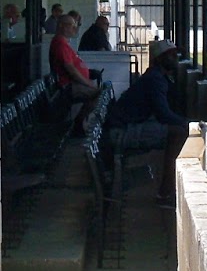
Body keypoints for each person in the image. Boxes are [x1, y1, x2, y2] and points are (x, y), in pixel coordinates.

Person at [105, 39, 186, 201]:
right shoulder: (155, 79)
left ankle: (166, 188)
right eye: (170, 55)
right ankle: (166, 192)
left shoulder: (155, 76)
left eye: (175, 54)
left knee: (175, 130)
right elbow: (164, 114)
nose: (175, 58)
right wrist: (189, 123)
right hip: (120, 132)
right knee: (179, 133)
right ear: (160, 59)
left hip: (122, 127)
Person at [49, 14, 100, 103]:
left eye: (75, 25)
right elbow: (71, 70)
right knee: (98, 94)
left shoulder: (64, 43)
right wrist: (88, 83)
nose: (75, 28)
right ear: (61, 25)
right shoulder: (60, 44)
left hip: (73, 84)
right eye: (72, 25)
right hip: (68, 85)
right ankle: (82, 117)